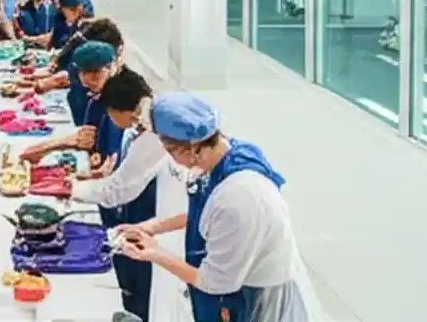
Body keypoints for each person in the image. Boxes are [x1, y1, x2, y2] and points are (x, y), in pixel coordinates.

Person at [119, 92, 311, 322]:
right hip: (246, 282)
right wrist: (152, 227)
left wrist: (155, 253)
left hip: (257, 301)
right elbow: (206, 214)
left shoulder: (238, 197)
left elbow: (213, 282)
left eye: (168, 151)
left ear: (186, 149)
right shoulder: (229, 154)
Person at [71, 67, 162, 321]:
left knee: (144, 282)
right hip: (139, 206)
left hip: (149, 211)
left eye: (110, 114)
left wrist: (73, 190)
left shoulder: (152, 135)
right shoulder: (139, 125)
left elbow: (120, 190)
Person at [19, 40, 125, 168]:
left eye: (96, 73)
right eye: (83, 72)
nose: (89, 79)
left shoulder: (121, 105)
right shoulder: (96, 99)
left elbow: (114, 160)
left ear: (112, 68)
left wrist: (50, 146)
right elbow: (87, 140)